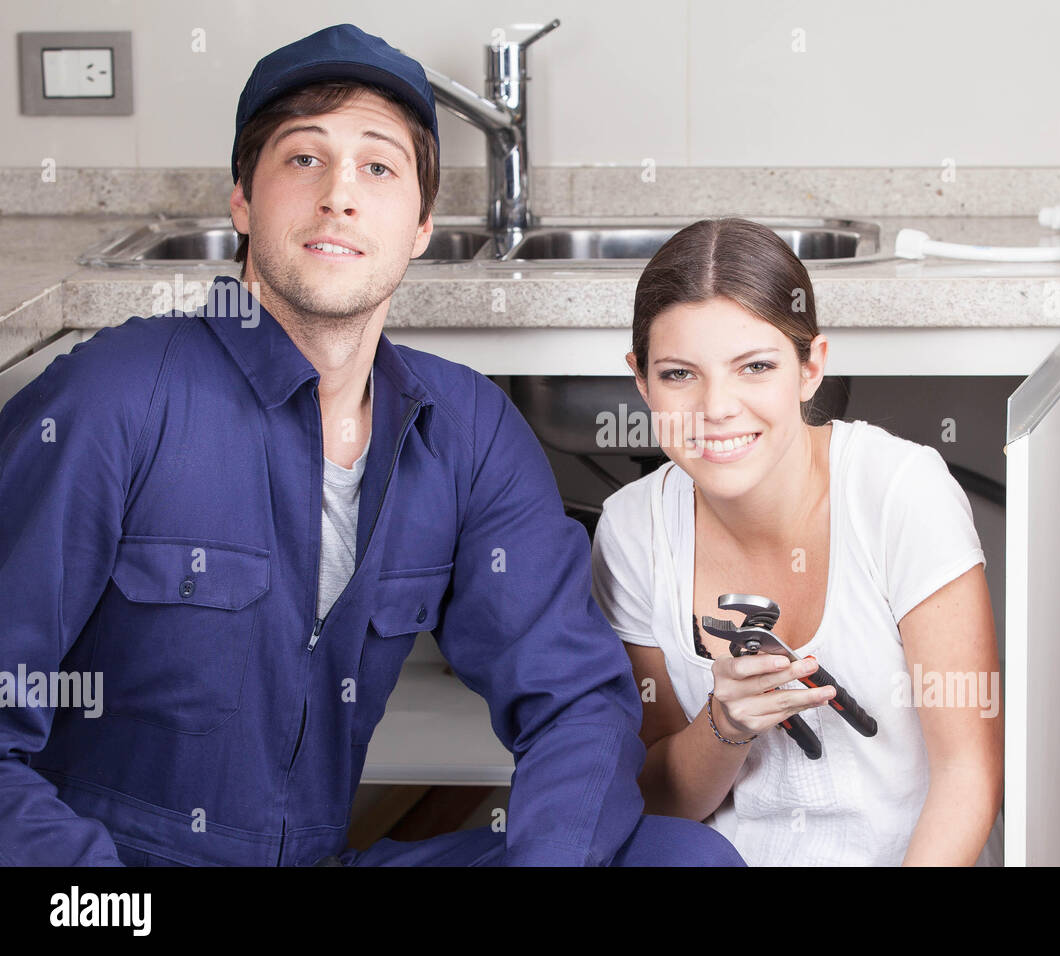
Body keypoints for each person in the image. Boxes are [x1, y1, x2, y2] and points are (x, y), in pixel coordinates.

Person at [0, 24, 742, 868]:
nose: (339, 195)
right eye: (304, 159)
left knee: (680, 860)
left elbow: (574, 703)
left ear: (423, 223)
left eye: (378, 166)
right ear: (242, 201)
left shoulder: (463, 430)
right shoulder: (114, 398)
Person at [591, 218, 1005, 865]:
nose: (716, 407)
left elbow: (967, 779)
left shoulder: (901, 493)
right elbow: (659, 803)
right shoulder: (629, 531)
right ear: (640, 380)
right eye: (679, 375)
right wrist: (723, 726)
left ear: (811, 367)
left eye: (755, 366)